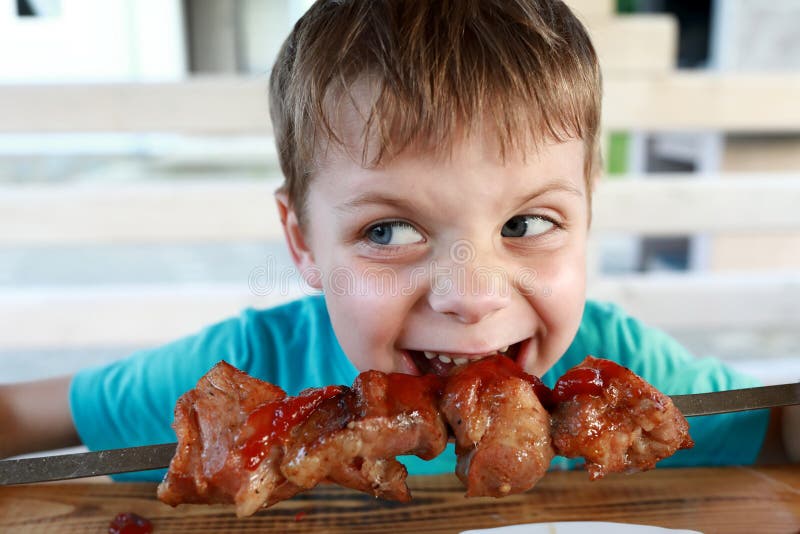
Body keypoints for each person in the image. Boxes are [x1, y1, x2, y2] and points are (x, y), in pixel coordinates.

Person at [1, 0, 796, 480]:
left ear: (587, 214)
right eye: (389, 230)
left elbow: (776, 432)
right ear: (303, 241)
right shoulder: (252, 377)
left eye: (526, 224)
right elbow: (21, 414)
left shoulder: (620, 374)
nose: (471, 294)